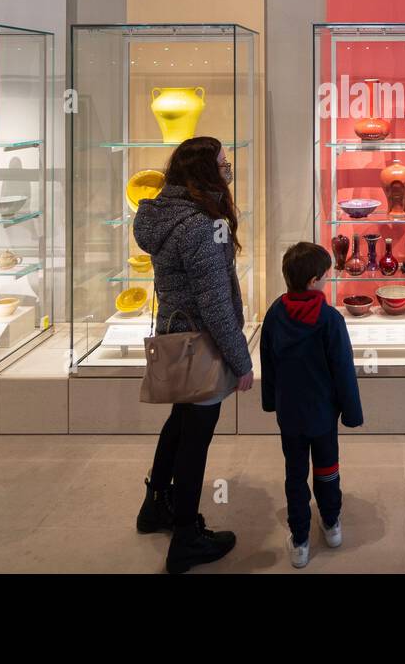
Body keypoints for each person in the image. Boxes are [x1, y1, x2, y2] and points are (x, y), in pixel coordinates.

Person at [132, 136, 254, 574]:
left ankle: (155, 507)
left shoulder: (166, 214)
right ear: (204, 172)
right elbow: (215, 303)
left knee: (180, 424)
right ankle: (186, 534)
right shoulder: (200, 224)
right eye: (223, 164)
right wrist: (241, 361)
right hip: (199, 344)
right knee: (195, 440)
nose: (228, 171)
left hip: (174, 336)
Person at [260, 242, 363, 569]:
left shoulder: (275, 314)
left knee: (294, 474)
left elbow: (268, 362)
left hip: (289, 412)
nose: (327, 281)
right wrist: (352, 412)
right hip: (322, 414)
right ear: (313, 281)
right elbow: (343, 369)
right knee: (327, 468)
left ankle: (300, 540)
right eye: (325, 277)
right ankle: (331, 524)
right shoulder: (330, 320)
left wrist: (269, 401)